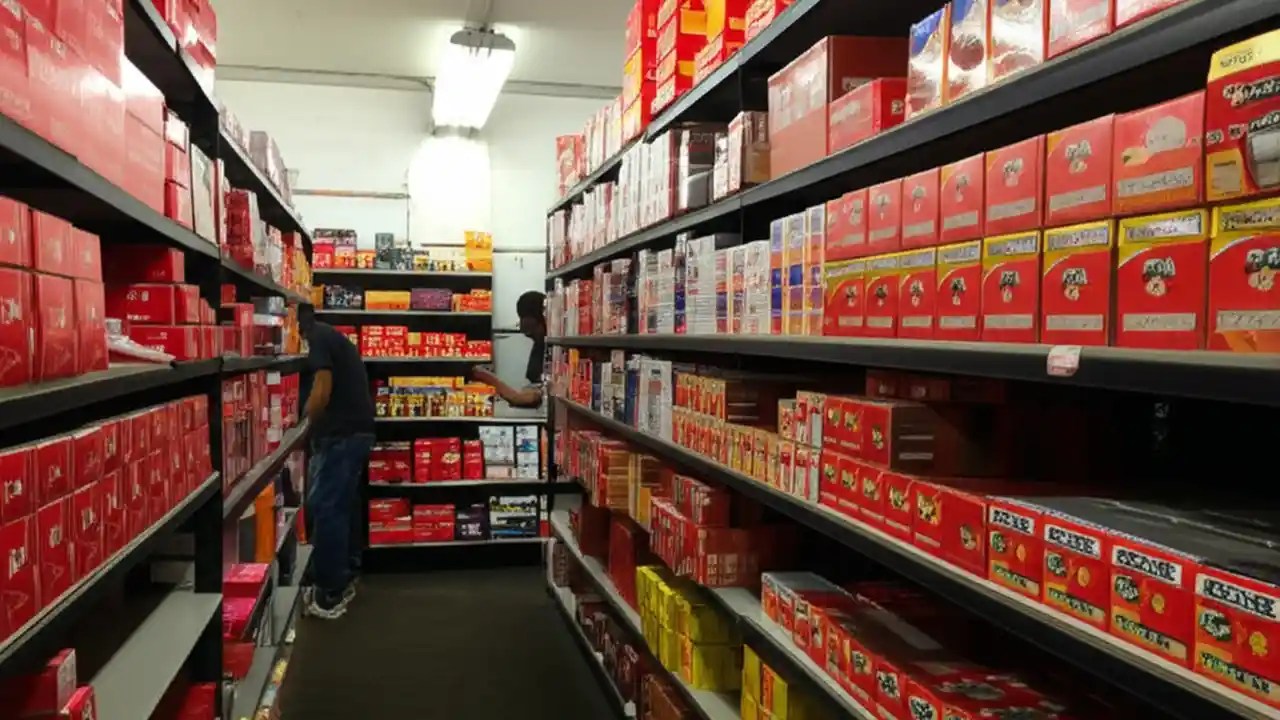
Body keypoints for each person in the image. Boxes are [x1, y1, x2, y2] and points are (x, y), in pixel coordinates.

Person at [299, 304, 376, 619]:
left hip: (341, 435)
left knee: (326, 507)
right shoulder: (330, 336)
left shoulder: (316, 338)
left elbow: (322, 388)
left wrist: (302, 427)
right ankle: (345, 575)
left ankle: (331, 592)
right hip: (353, 433)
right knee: (342, 506)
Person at [472, 290, 546, 409]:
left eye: (522, 317)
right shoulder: (539, 345)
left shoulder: (549, 348)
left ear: (533, 319)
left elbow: (525, 398)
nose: (520, 324)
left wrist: (487, 378)